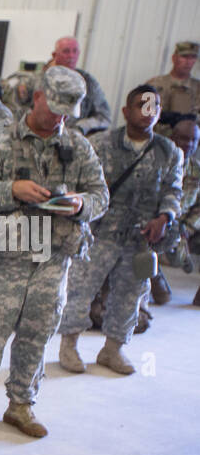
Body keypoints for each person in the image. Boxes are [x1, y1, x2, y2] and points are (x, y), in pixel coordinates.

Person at [0, 66, 108, 438]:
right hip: (6, 257)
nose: (59, 117)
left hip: (52, 260)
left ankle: (21, 405)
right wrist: (12, 189)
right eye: (54, 106)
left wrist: (79, 204)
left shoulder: (77, 146)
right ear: (38, 96)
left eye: (67, 111)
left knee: (37, 333)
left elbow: (101, 196)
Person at [57, 85, 184, 375]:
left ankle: (113, 349)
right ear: (126, 111)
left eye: (155, 106)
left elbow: (173, 191)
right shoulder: (100, 144)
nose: (149, 112)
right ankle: (69, 345)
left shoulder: (169, 152)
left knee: (130, 295)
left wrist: (165, 217)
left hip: (140, 239)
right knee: (80, 290)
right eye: (142, 105)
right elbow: (81, 184)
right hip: (100, 234)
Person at [2, 36, 112, 137]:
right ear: (55, 55)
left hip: (72, 137)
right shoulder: (34, 80)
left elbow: (104, 117)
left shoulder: (87, 83)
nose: (71, 56)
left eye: (75, 51)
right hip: (37, 134)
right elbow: (13, 110)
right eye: (66, 51)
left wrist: (82, 127)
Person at [155, 119, 199, 306]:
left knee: (179, 255)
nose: (188, 144)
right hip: (156, 222)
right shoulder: (157, 162)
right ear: (172, 138)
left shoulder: (196, 170)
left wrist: (188, 228)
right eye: (183, 139)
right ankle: (154, 277)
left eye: (193, 140)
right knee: (162, 298)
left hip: (183, 225)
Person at [145, 40, 200, 136]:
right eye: (184, 57)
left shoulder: (198, 88)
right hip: (158, 139)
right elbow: (144, 117)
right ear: (174, 58)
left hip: (188, 143)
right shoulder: (154, 84)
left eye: (193, 57)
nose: (188, 62)